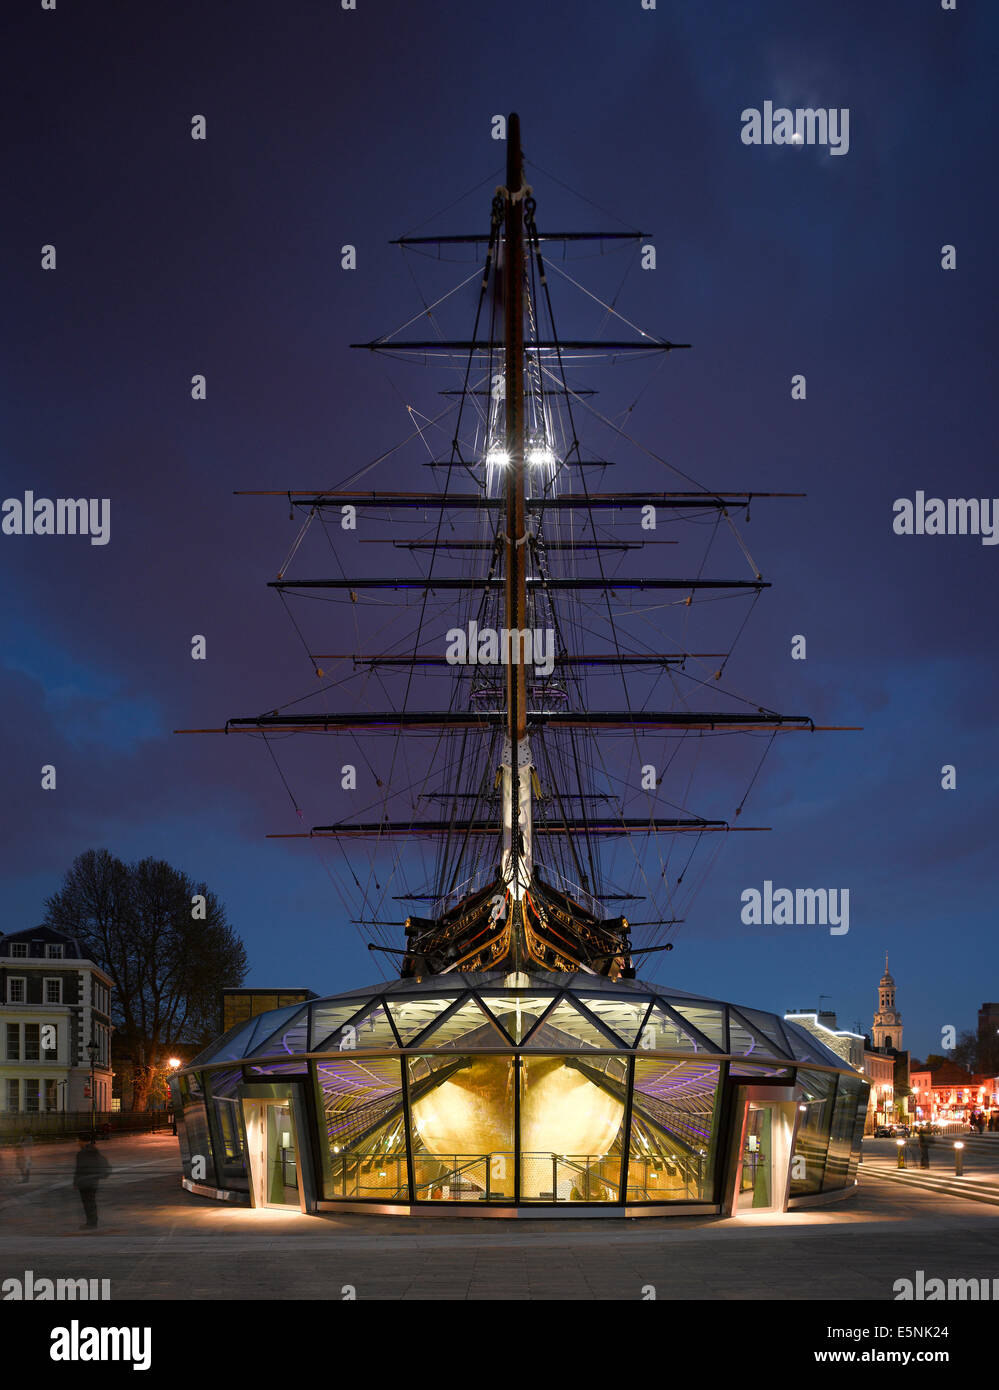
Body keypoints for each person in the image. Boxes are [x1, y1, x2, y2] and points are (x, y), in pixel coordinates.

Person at [73, 1134, 111, 1229]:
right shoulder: (94, 1151)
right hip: (93, 1180)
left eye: (78, 1141)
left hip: (85, 1181)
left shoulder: (82, 1154)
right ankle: (92, 1222)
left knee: (87, 1202)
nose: (77, 1143)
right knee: (91, 1202)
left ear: (83, 1141)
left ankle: (91, 1223)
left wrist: (76, 1182)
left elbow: (79, 1169)